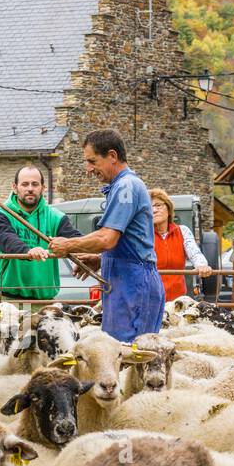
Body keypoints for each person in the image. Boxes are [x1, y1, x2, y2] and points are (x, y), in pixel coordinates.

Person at [47, 129, 164, 343]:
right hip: (125, 281)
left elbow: (107, 238)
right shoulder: (122, 186)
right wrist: (102, 260)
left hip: (133, 286)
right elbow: (131, 240)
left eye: (92, 161)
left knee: (129, 353)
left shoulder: (126, 186)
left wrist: (69, 245)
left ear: (112, 156)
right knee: (116, 353)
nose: (88, 170)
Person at [0, 166, 83, 301]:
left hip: (45, 301)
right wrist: (28, 251)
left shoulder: (56, 217)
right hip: (6, 300)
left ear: (43, 188)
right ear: (15, 187)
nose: (30, 188)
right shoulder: (0, 214)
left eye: (35, 184)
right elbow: (7, 241)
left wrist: (89, 256)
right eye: (25, 184)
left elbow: (75, 241)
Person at [151, 188, 212, 301]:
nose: (154, 210)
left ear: (169, 210)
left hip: (177, 300)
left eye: (158, 205)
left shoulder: (182, 231)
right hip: (150, 298)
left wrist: (202, 265)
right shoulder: (143, 235)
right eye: (149, 207)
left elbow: (195, 253)